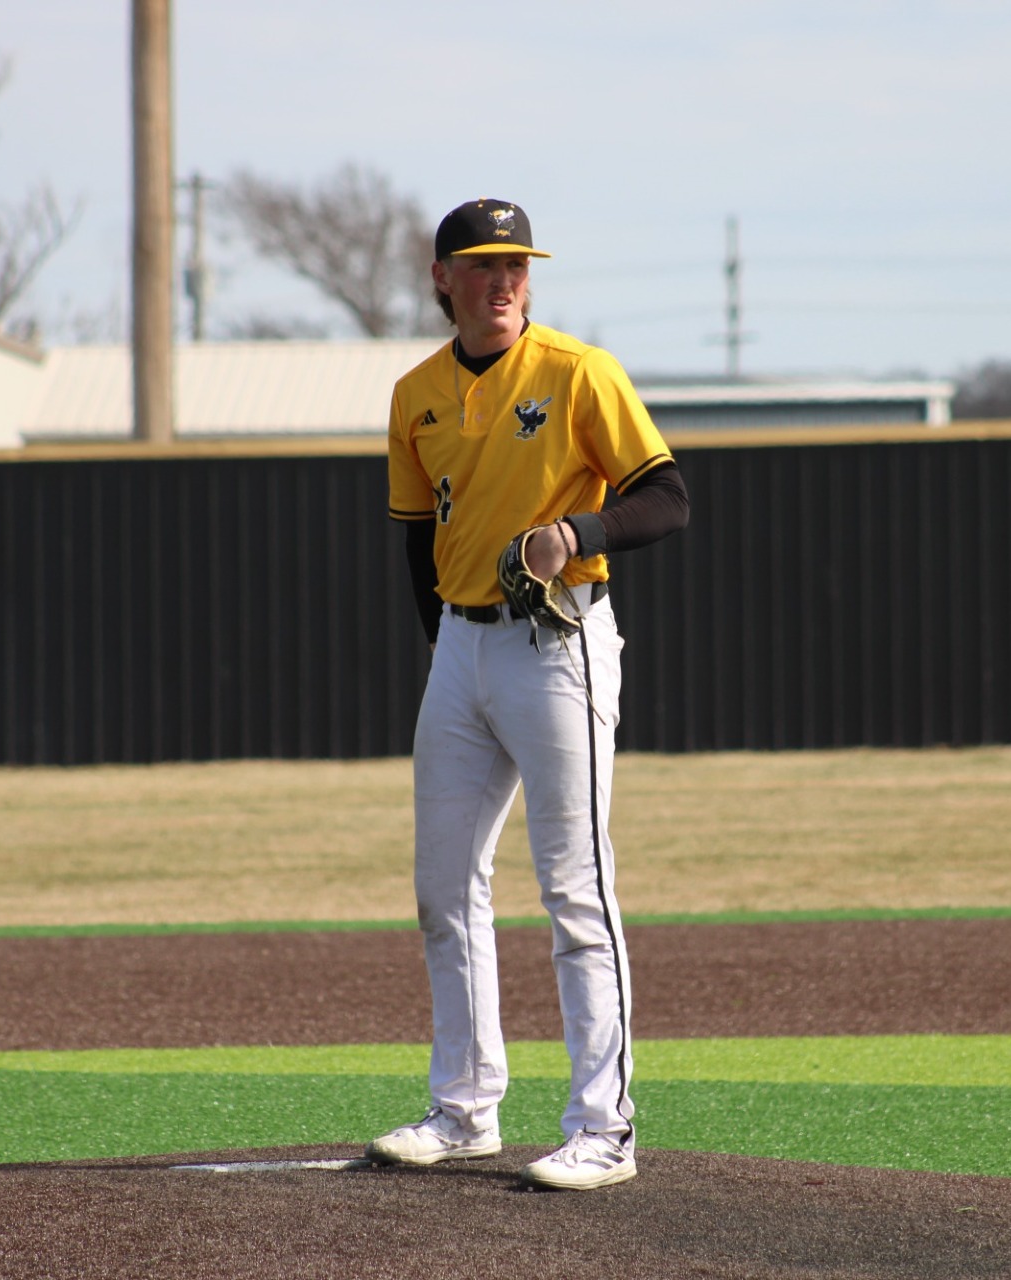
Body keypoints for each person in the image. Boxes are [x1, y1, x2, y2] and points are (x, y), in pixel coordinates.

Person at [368, 199, 689, 1190]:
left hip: (558, 644)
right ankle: (465, 1109)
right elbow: (417, 539)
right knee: (444, 887)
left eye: (516, 264)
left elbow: (667, 498)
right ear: (443, 279)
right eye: (482, 264)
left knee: (574, 886)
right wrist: (449, 647)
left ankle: (605, 1127)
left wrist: (577, 534)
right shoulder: (416, 393)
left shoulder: (579, 371)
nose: (503, 281)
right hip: (462, 650)